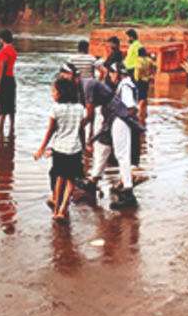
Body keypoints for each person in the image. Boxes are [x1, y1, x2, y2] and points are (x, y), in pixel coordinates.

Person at [88, 63, 145, 209]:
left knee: (122, 155)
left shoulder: (124, 86)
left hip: (122, 121)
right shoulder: (127, 84)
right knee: (121, 155)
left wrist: (119, 120)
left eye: (112, 74)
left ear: (117, 74)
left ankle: (127, 190)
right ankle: (121, 184)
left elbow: (129, 108)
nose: (111, 77)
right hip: (123, 121)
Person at [35, 76, 88, 222]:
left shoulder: (56, 109)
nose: (52, 94)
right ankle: (63, 209)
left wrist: (42, 148)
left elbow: (51, 130)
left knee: (59, 179)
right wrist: (84, 146)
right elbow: (81, 130)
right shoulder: (80, 108)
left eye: (53, 91)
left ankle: (56, 209)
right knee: (70, 181)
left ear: (61, 92)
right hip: (74, 149)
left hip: (59, 149)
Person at [133, 47, 157, 122]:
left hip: (139, 80)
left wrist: (136, 79)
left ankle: (140, 114)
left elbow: (137, 70)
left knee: (140, 97)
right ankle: (144, 112)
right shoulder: (148, 60)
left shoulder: (138, 60)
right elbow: (155, 66)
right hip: (146, 80)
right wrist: (152, 74)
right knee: (144, 96)